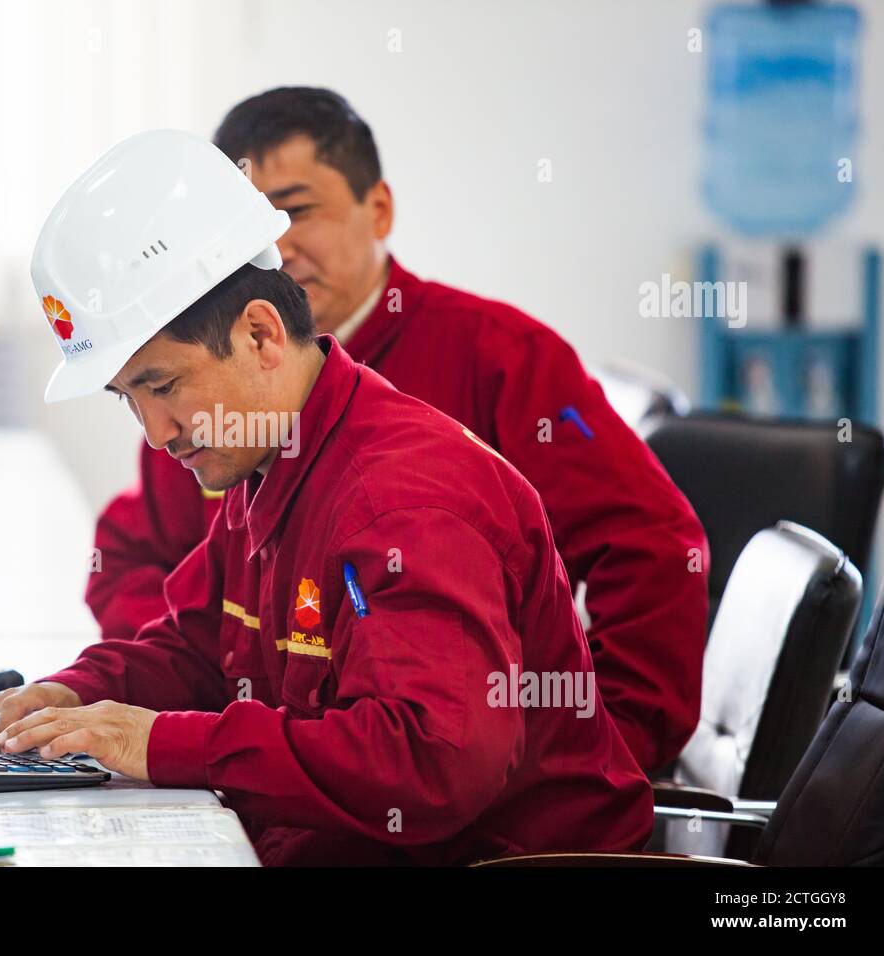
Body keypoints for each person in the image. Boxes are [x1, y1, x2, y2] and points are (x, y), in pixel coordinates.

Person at [0, 128, 653, 866]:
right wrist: (77, 696)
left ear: (261, 335)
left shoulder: (398, 503)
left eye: (164, 386)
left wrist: (160, 742)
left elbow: (432, 761)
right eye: (128, 399)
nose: (157, 431)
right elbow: (204, 645)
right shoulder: (270, 457)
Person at [85, 88, 709, 774]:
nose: (269, 244)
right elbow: (174, 593)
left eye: (293, 210)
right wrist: (104, 704)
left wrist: (612, 751)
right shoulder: (246, 419)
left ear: (378, 209)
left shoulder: (496, 359)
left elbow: (655, 548)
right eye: (240, 225)